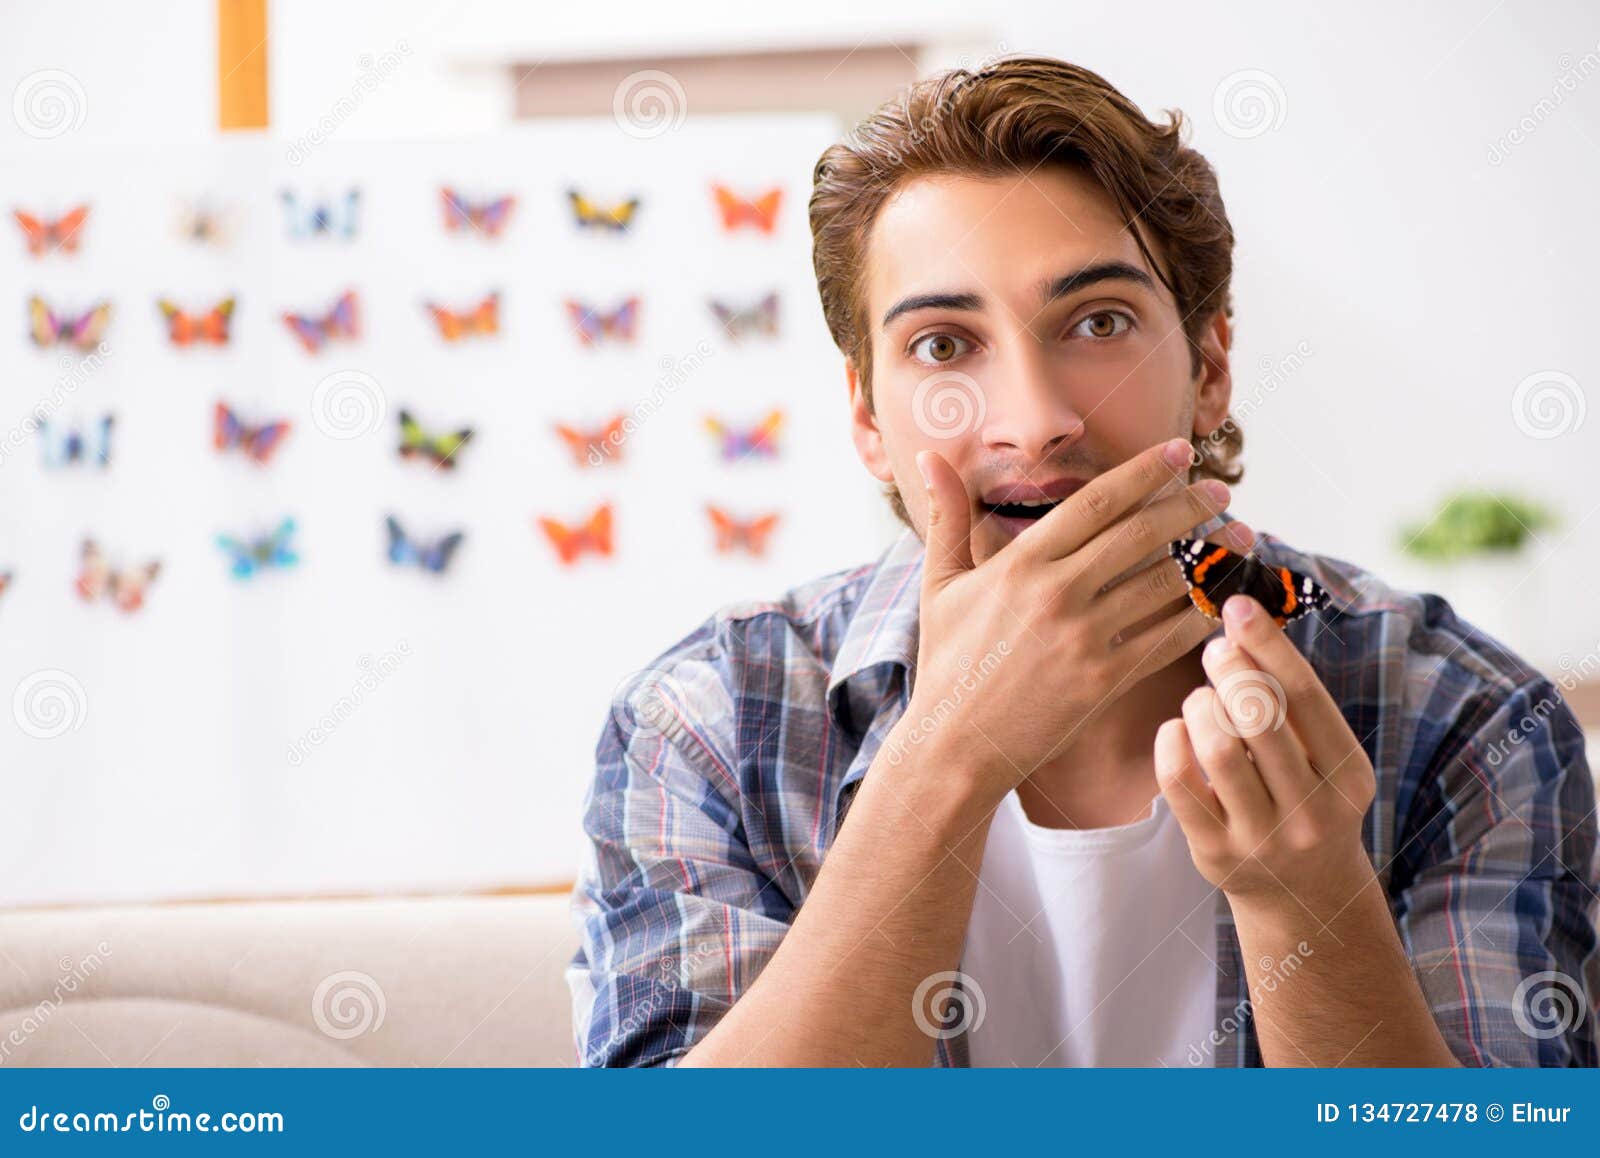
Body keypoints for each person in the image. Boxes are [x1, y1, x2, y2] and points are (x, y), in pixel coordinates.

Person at [567, 55, 1598, 1067]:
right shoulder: (706, 724)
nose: (1037, 422)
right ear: (866, 417)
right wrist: (946, 756)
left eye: (1098, 322)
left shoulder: (1466, 719)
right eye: (940, 344)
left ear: (1208, 372)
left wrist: (1310, 901)